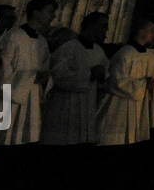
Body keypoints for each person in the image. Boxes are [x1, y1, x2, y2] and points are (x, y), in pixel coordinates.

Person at [0, 0, 56, 148]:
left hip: (31, 100)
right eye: (49, 11)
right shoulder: (13, 36)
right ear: (35, 12)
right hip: (9, 101)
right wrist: (32, 77)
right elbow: (0, 70)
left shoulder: (42, 41)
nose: (53, 16)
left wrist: (45, 78)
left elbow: (45, 69)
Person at [43, 12, 109, 147]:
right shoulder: (68, 48)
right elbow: (58, 76)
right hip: (66, 106)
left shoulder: (99, 51)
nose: (106, 30)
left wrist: (103, 76)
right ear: (91, 26)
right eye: (103, 26)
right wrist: (89, 74)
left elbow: (106, 77)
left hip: (88, 105)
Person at [98, 21, 154, 147]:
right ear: (141, 31)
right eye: (151, 31)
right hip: (119, 104)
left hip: (139, 105)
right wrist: (143, 85)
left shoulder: (151, 56)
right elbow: (116, 81)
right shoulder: (125, 53)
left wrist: (153, 84)